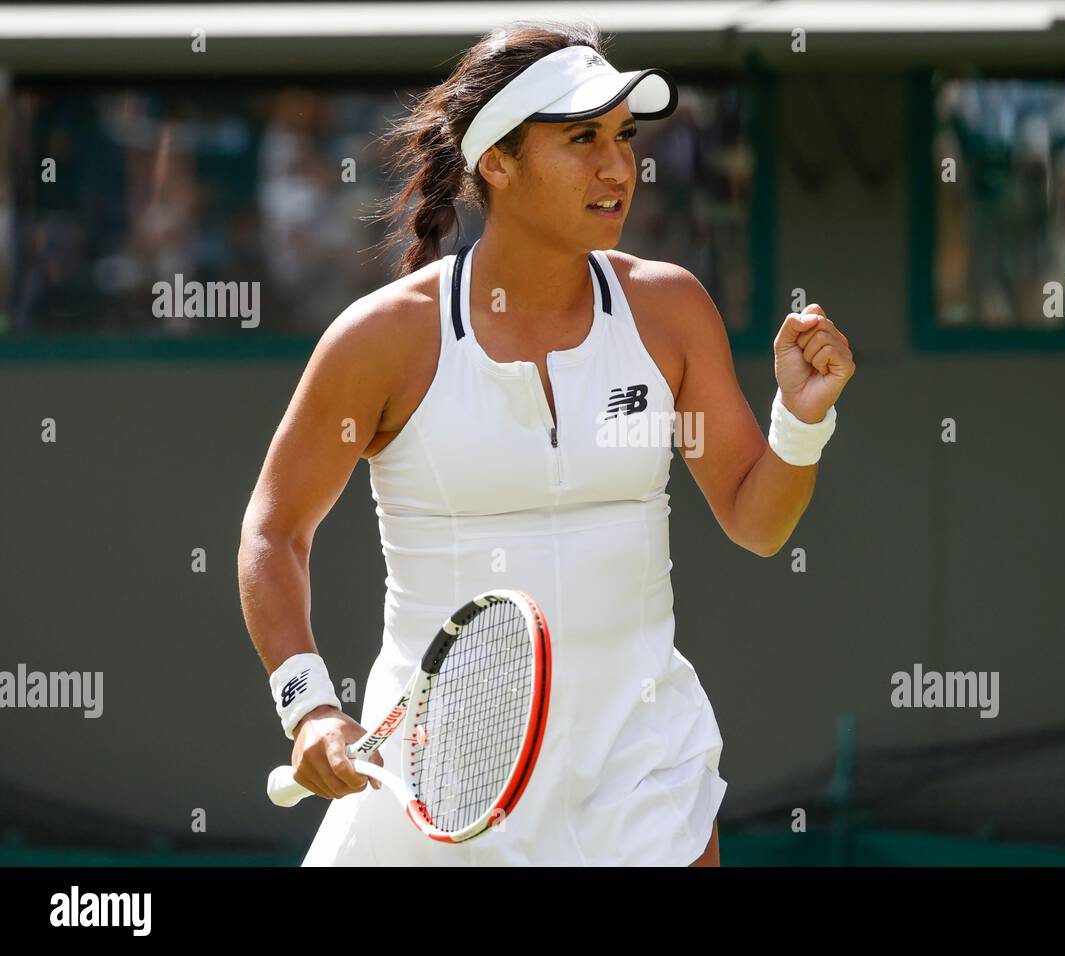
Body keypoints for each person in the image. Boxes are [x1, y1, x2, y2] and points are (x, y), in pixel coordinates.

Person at [237, 20, 854, 866]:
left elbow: (758, 522)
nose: (616, 166)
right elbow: (275, 531)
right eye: (581, 140)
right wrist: (308, 706)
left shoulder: (670, 311)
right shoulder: (382, 339)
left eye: (623, 138)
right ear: (497, 160)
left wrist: (801, 419)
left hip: (641, 774)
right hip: (436, 787)